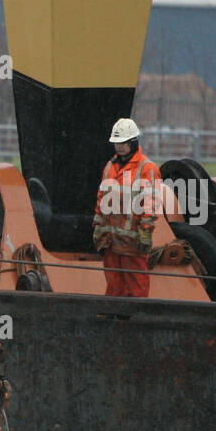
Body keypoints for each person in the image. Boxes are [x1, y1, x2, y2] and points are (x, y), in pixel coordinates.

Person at [92, 117, 160, 297]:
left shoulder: (147, 168)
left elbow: (151, 203)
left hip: (133, 242)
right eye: (117, 143)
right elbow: (102, 199)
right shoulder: (110, 167)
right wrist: (98, 227)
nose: (119, 147)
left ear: (133, 142)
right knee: (114, 285)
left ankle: (134, 319)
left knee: (136, 286)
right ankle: (114, 316)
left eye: (123, 143)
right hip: (111, 240)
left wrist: (145, 232)